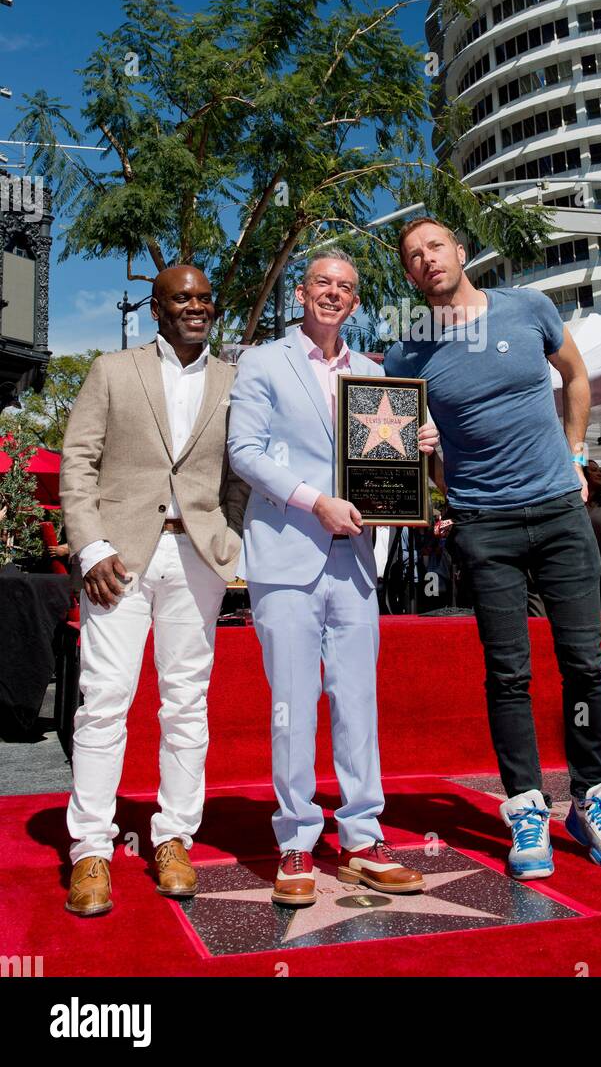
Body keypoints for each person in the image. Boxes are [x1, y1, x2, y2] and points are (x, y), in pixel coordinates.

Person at [385, 217, 601, 879]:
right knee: (509, 673)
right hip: (482, 524)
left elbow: (576, 378)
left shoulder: (530, 309)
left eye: (434, 246)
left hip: (559, 510)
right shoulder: (405, 356)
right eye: (412, 256)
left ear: (461, 253)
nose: (426, 259)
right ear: (408, 275)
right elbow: (429, 472)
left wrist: (578, 450)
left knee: (585, 663)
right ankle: (528, 807)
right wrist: (431, 466)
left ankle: (591, 800)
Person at [228, 250, 438, 907]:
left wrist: (418, 446)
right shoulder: (261, 361)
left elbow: (397, 470)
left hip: (354, 564)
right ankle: (295, 839)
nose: (333, 293)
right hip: (286, 557)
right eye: (322, 282)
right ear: (300, 292)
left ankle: (362, 837)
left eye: (345, 287)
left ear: (354, 301)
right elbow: (244, 452)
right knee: (292, 704)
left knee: (357, 701)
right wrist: (313, 500)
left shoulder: (376, 375)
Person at [59, 266, 249, 916]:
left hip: (197, 559)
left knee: (186, 703)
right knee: (105, 700)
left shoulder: (234, 380)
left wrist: (232, 544)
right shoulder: (112, 371)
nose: (194, 306)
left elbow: (241, 475)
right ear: (157, 309)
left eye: (202, 297)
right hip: (118, 558)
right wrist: (91, 547)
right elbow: (77, 462)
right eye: (180, 297)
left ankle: (173, 839)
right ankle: (90, 848)